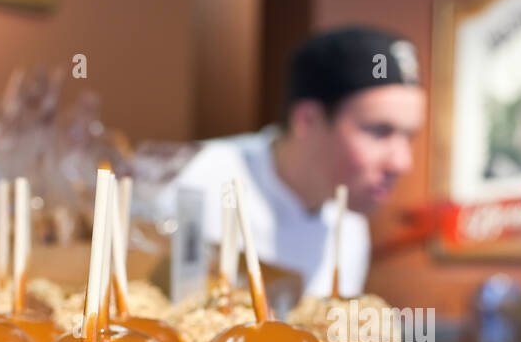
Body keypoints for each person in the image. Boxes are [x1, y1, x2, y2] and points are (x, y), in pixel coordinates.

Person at [161, 26, 425, 297]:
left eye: (410, 136)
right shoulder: (194, 182)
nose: (403, 163)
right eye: (379, 131)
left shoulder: (349, 226)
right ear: (307, 120)